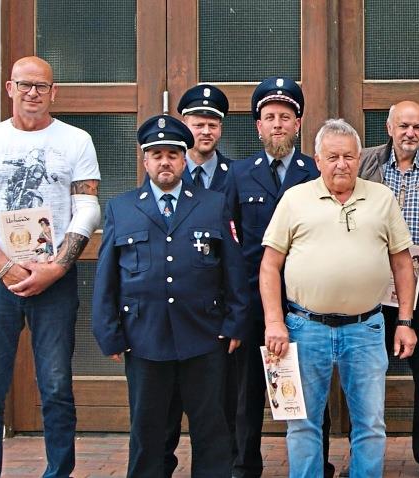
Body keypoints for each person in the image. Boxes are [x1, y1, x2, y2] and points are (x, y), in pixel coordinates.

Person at [0, 55, 101, 478]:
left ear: (53, 92)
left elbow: (88, 208)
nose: (33, 93)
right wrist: (4, 267)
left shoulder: (76, 141)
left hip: (54, 278)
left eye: (41, 86)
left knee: (56, 387)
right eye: (24, 85)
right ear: (10, 89)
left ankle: (58, 472)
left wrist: (57, 266)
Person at [260, 119, 418, 478]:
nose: (341, 164)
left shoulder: (382, 198)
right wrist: (274, 321)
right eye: (332, 157)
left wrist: (405, 321)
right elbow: (269, 265)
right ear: (317, 159)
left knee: (370, 424)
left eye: (348, 156)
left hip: (365, 328)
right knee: (302, 423)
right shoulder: (294, 199)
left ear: (359, 158)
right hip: (304, 328)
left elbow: (403, 264)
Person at [92, 114, 247, 477]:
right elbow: (106, 278)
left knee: (212, 430)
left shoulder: (212, 204)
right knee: (148, 434)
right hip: (144, 339)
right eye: (157, 154)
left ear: (184, 159)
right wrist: (109, 332)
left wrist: (236, 322)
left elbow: (233, 269)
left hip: (204, 337)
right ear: (145, 161)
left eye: (173, 154)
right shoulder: (122, 207)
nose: (165, 161)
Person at [222, 77, 328, 477]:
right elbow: (230, 241)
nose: (278, 124)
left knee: (311, 389)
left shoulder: (315, 171)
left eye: (286, 116)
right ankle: (244, 465)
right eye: (270, 117)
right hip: (252, 300)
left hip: (305, 299)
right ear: (258, 126)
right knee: (247, 391)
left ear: (299, 124)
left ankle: (318, 463)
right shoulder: (238, 174)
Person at [357, 100, 419, 478]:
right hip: (373, 280)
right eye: (403, 126)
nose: (410, 133)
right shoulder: (367, 163)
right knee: (365, 370)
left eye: (416, 126)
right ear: (389, 127)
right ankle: (364, 451)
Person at [161, 81, 235, 476]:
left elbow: (237, 252)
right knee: (165, 412)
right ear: (183, 124)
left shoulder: (234, 175)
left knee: (215, 411)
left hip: (213, 316)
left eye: (212, 123)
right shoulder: (164, 173)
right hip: (169, 316)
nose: (205, 131)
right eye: (196, 122)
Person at [178, 83, 232, 192]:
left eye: (212, 125)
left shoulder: (236, 173)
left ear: (220, 128)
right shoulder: (170, 172)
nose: (206, 132)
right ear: (184, 128)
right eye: (199, 125)